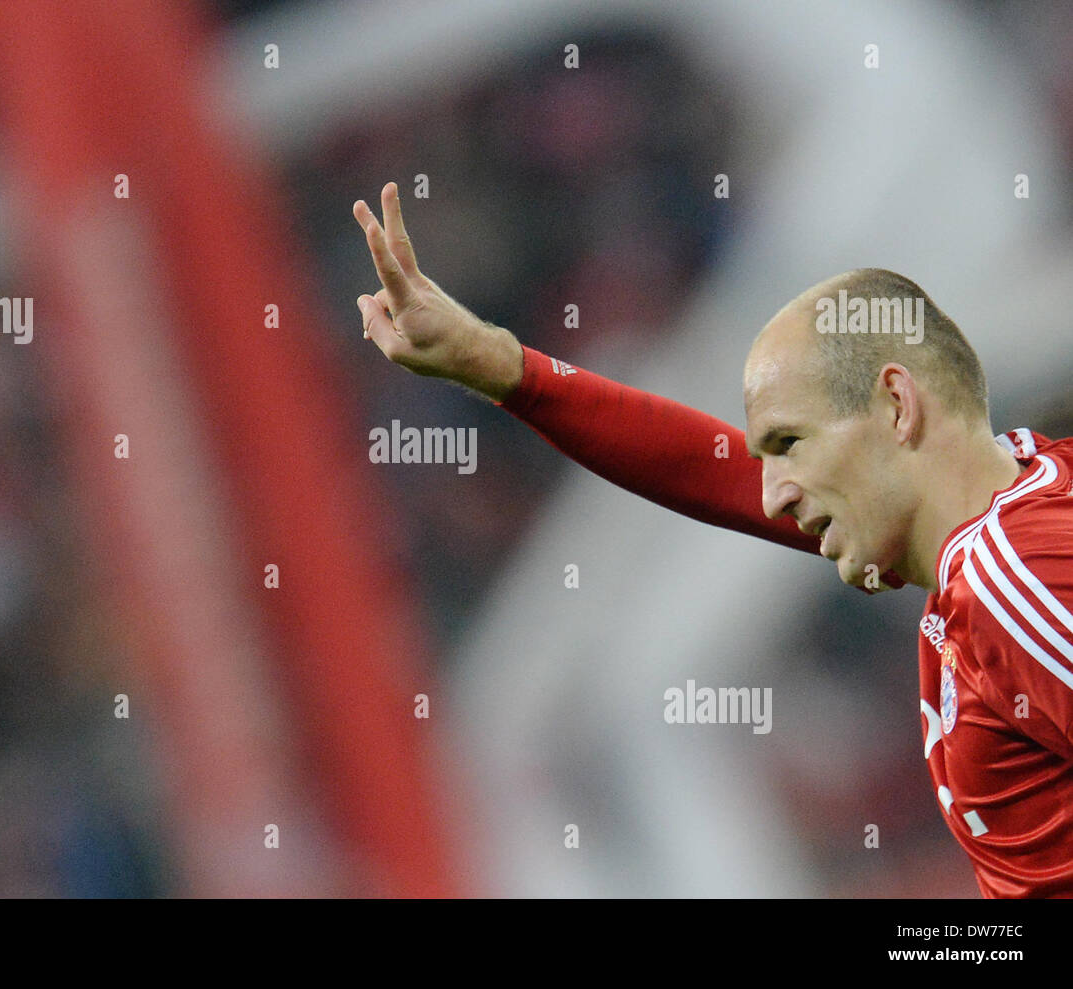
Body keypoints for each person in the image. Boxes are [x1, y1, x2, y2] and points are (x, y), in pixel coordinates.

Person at [353, 181, 1073, 898]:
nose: (772, 489)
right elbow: (708, 470)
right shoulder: (1016, 502)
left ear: (896, 406)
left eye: (791, 443)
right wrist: (501, 366)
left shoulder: (1009, 579)